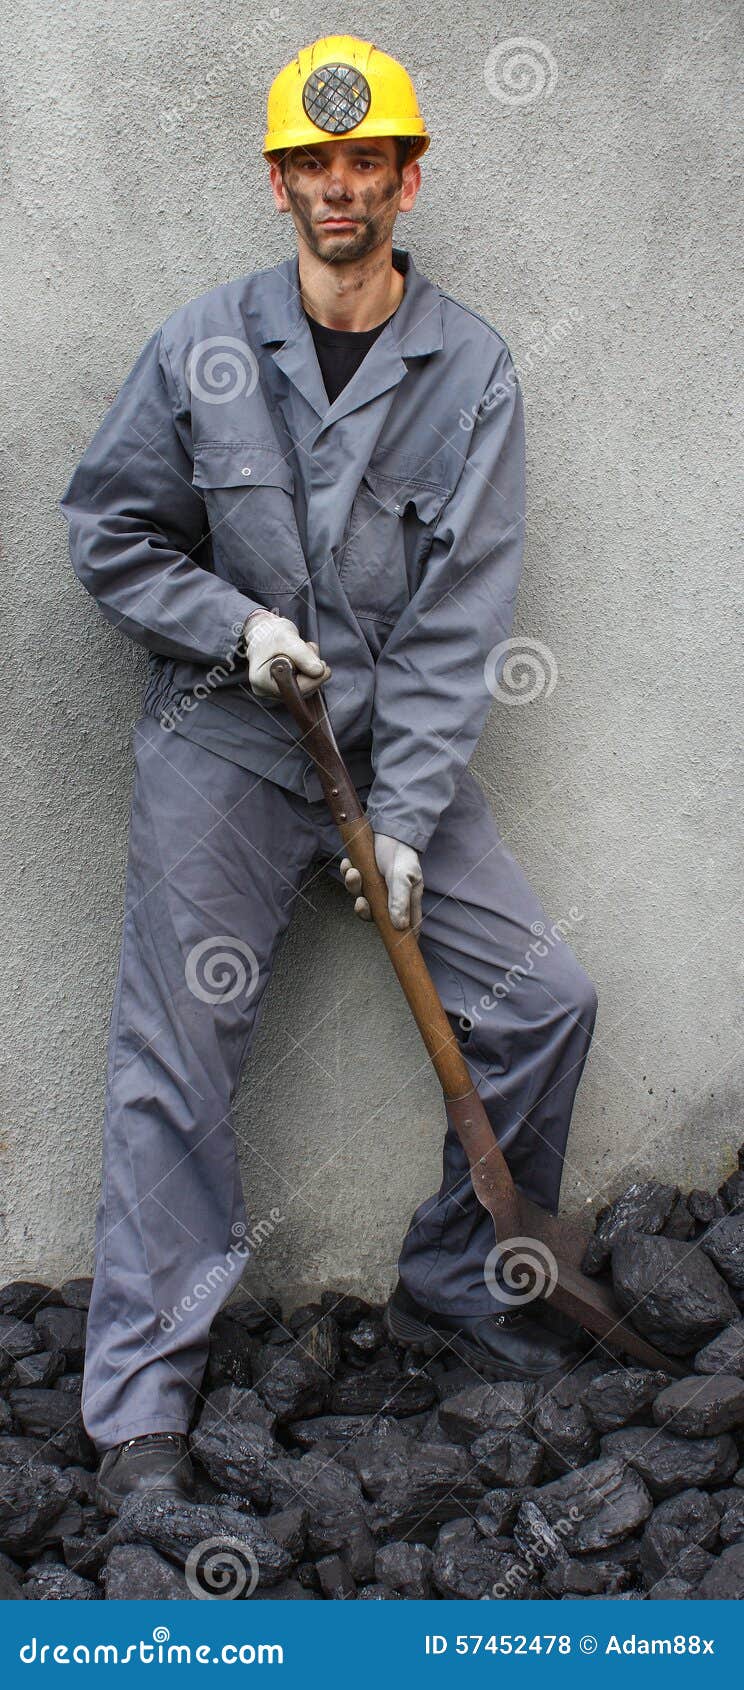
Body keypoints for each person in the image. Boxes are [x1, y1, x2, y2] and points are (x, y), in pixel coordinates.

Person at [60, 34, 598, 1513]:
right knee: (177, 1062)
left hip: (383, 759)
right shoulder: (199, 347)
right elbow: (110, 534)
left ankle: (454, 1281)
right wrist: (235, 629)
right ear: (279, 182)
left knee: (545, 1000)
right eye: (315, 162)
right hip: (223, 752)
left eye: (368, 162)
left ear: (409, 179)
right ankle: (143, 1407)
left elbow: (460, 619)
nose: (341, 186)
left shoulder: (470, 369)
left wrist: (409, 822)